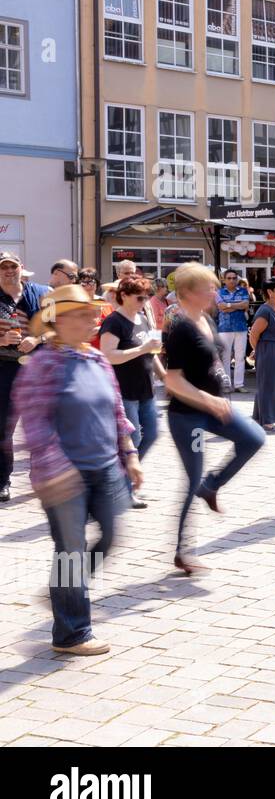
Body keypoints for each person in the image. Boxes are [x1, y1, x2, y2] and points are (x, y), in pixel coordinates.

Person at [11, 284, 143, 655]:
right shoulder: (42, 363)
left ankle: (64, 591)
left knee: (112, 535)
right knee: (69, 551)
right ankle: (71, 633)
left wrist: (129, 453)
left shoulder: (97, 358)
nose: (93, 320)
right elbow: (35, 423)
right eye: (85, 315)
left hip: (105, 467)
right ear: (61, 321)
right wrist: (58, 469)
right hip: (62, 475)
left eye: (93, 314)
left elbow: (116, 410)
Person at [163, 264, 266, 574]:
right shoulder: (180, 327)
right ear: (189, 292)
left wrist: (220, 395)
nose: (214, 291)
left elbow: (212, 361)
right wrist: (207, 398)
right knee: (191, 478)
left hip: (216, 407)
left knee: (254, 438)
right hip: (188, 414)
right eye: (208, 287)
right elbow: (173, 380)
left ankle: (212, 486)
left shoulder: (207, 319)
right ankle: (183, 550)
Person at [98, 273, 163, 508]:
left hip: (146, 389)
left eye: (147, 297)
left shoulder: (142, 318)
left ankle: (125, 476)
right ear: (123, 296)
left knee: (153, 434)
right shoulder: (114, 322)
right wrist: (143, 348)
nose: (144, 302)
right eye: (139, 297)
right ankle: (123, 488)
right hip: (123, 390)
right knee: (132, 438)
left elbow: (149, 352)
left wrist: (164, 375)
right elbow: (108, 356)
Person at [1, 249, 52, 502]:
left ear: (22, 267)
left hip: (38, 368)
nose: (9, 271)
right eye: (3, 267)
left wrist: (37, 338)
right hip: (4, 369)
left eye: (13, 266)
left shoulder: (44, 294)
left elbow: (55, 328)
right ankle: (3, 481)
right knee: (3, 429)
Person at [249, 279, 275, 431]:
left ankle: (261, 418)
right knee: (269, 385)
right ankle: (267, 422)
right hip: (268, 351)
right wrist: (258, 350)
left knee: (269, 384)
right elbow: (254, 334)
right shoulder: (265, 311)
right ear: (270, 292)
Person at [212, 269, 251, 393]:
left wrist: (229, 305)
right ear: (224, 280)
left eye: (234, 278)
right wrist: (236, 305)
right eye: (229, 278)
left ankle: (239, 384)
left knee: (240, 357)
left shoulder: (244, 290)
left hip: (241, 327)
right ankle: (226, 384)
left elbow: (245, 305)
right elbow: (221, 308)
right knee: (225, 357)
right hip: (224, 328)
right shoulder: (219, 292)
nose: (232, 280)